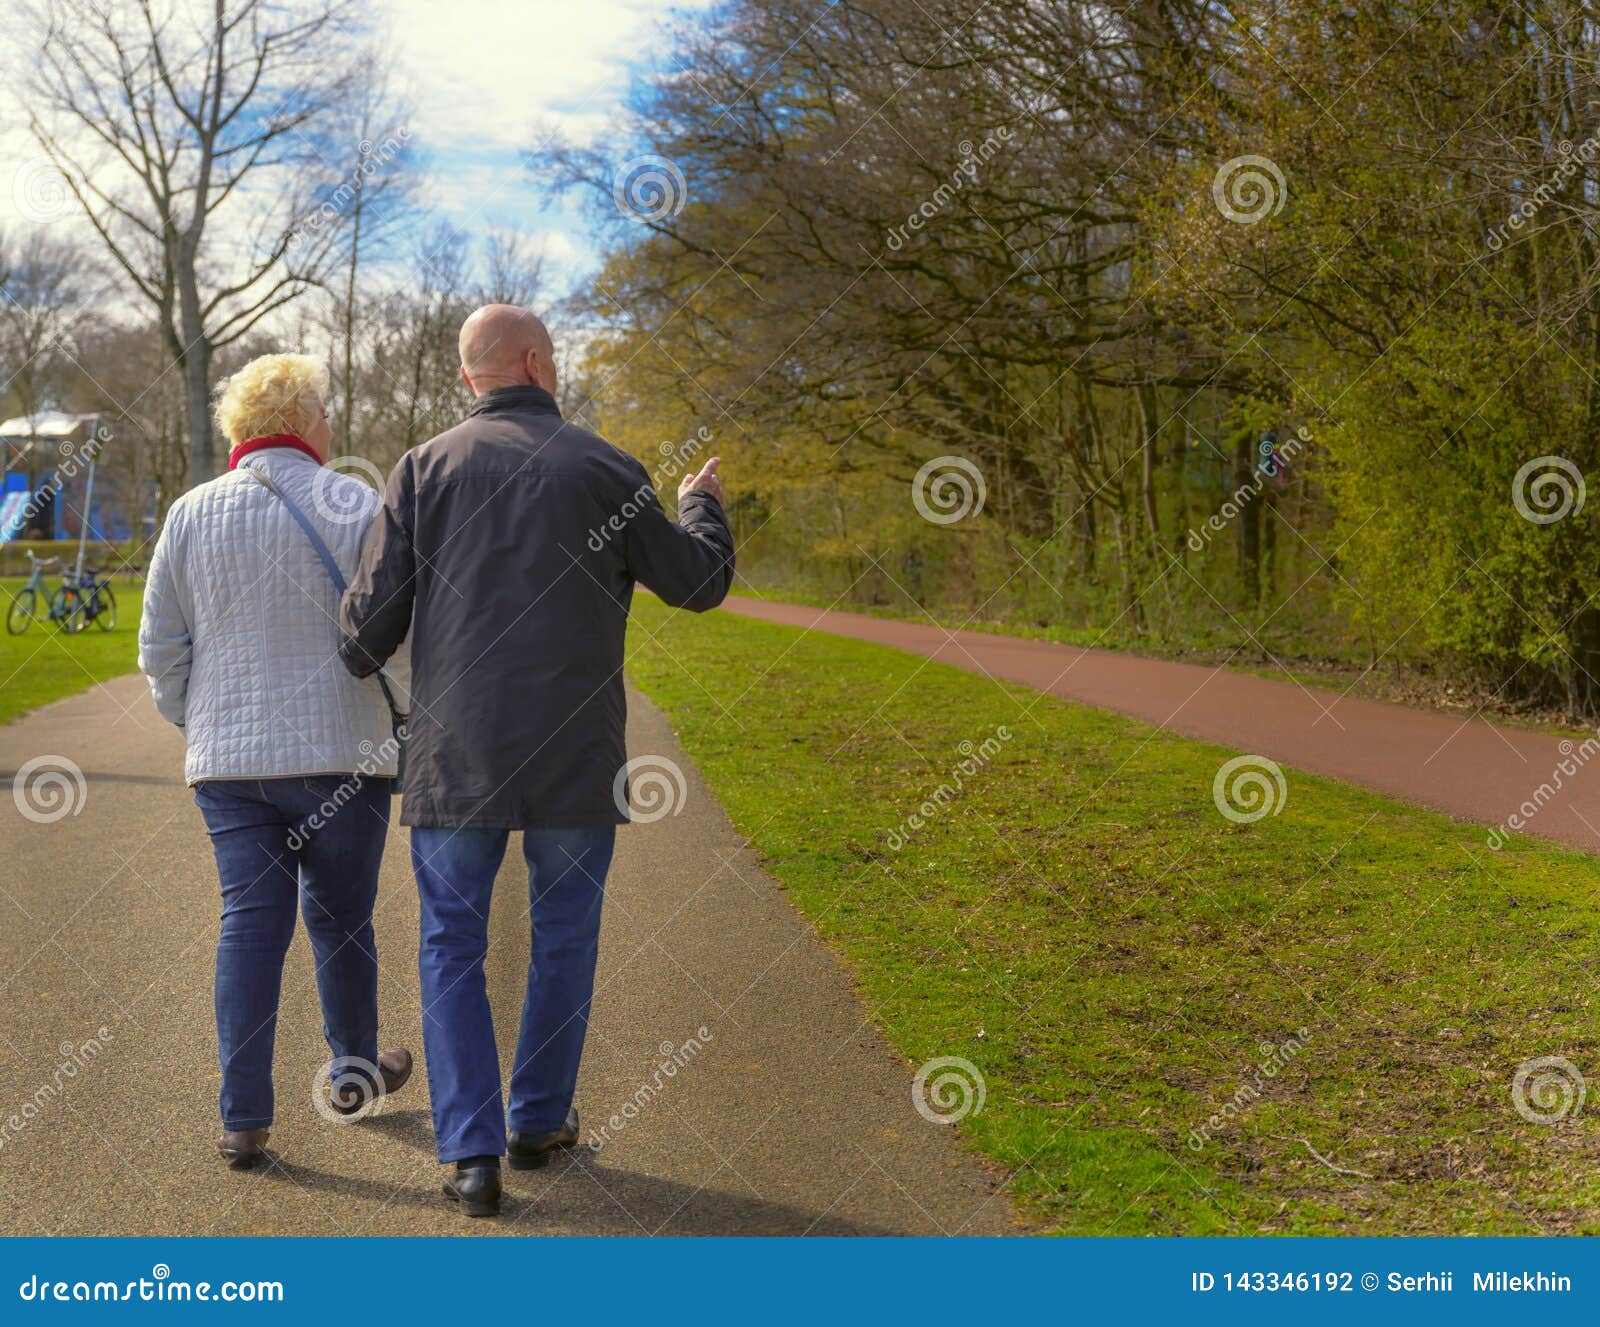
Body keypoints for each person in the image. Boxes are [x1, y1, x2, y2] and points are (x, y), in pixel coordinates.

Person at [339, 305, 733, 1217]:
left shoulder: (423, 469)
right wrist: (702, 504)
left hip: (458, 755)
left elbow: (363, 639)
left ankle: (471, 1154)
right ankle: (538, 1119)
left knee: (451, 943)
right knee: (564, 936)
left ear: (470, 375)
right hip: (575, 755)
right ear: (536, 363)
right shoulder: (606, 468)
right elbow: (699, 582)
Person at [138, 353, 413, 1170]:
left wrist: (198, 722)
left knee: (250, 924)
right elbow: (398, 632)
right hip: (344, 753)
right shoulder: (356, 502)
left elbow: (160, 648)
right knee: (342, 920)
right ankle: (353, 1076)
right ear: (304, 421)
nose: (330, 424)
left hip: (229, 767)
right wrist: (405, 718)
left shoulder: (189, 512)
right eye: (323, 411)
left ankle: (243, 1119)